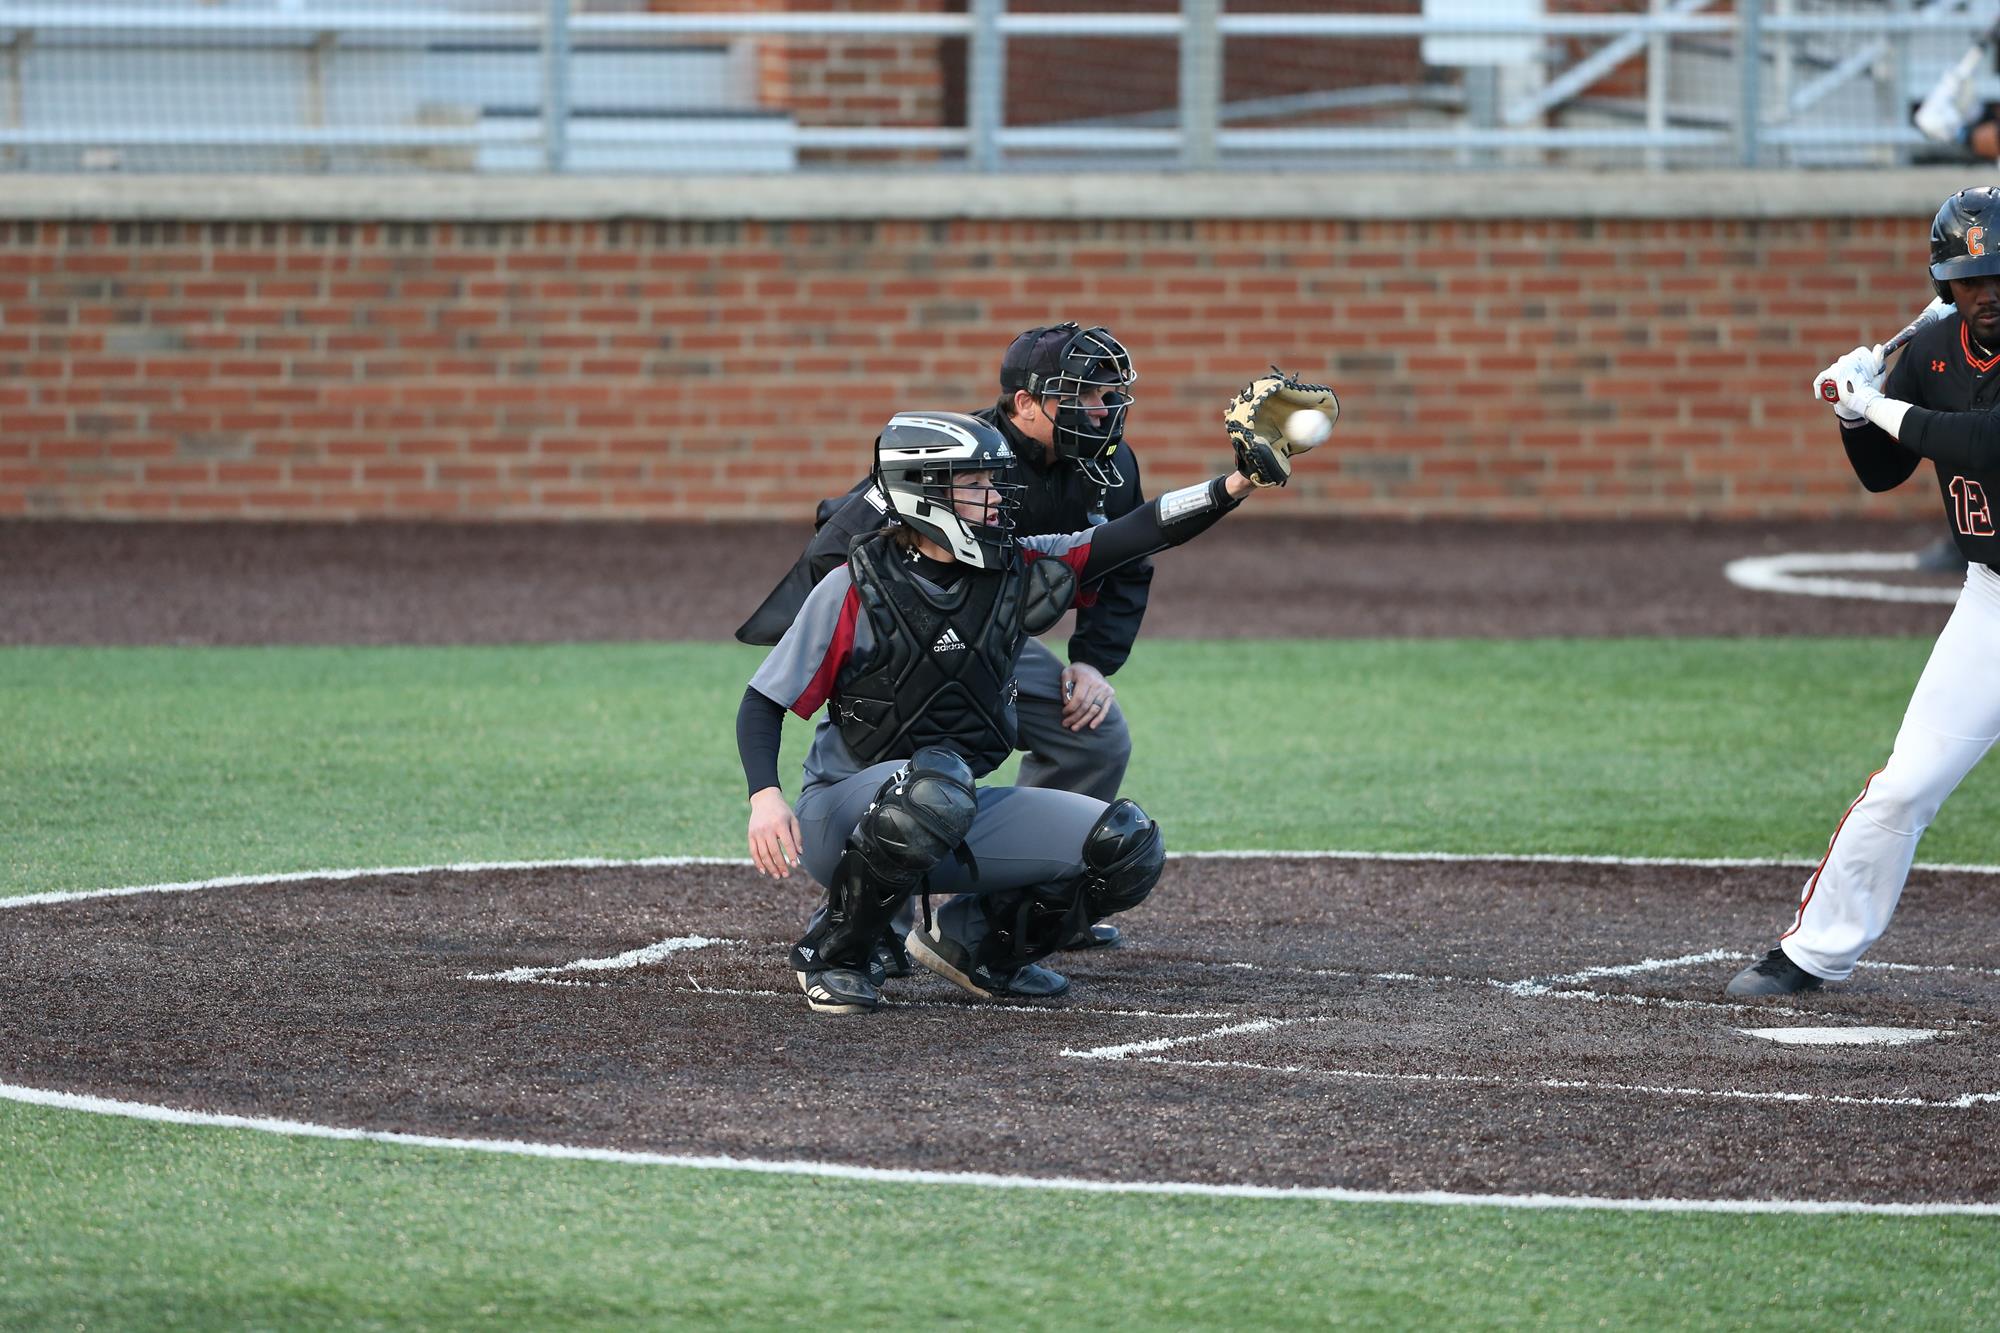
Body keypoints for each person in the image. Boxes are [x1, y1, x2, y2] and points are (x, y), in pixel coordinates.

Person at [738, 378, 1334, 1015]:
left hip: (951, 802)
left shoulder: (1017, 570)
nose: (997, 499)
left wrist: (1235, 484)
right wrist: (765, 798)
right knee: (935, 787)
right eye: (976, 485)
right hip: (844, 816)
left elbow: (1138, 533)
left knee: (1126, 846)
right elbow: (761, 702)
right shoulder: (853, 586)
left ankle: (977, 947)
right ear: (924, 493)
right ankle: (838, 951)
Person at [737, 322, 1153, 957]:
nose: (1104, 410)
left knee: (1095, 731)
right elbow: (837, 549)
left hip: (999, 636)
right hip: (912, 631)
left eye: (1108, 395)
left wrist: (1093, 662)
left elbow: (1126, 560)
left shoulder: (1112, 465)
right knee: (919, 750)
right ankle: (877, 919)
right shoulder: (953, 456)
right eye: (1087, 396)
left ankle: (1024, 897)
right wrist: (888, 647)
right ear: (1027, 404)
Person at [1726, 186, 2000, 997]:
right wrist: (1854, 413)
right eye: (1972, 277)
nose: (1989, 291)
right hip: (1992, 599)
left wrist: (1879, 404)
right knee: (1907, 781)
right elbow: (1884, 473)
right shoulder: (1936, 348)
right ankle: (1813, 950)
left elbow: (1987, 442)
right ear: (1946, 283)